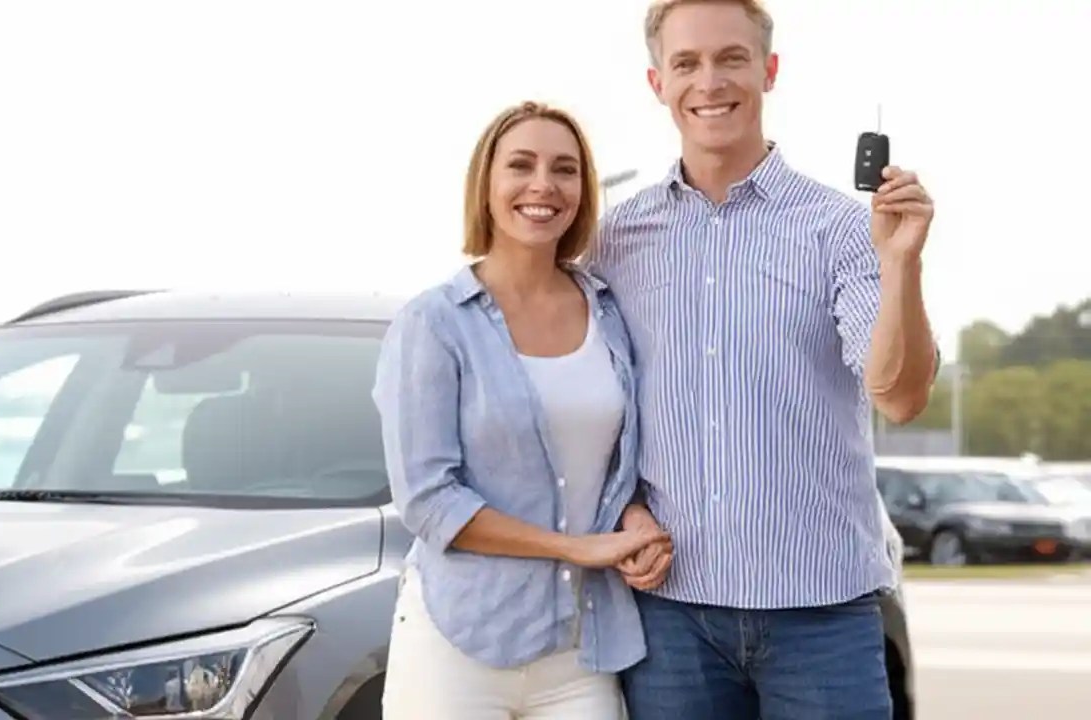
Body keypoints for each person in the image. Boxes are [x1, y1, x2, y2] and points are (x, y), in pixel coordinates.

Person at [585, 1, 939, 719]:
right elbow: (593, 411)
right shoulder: (616, 240)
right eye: (686, 62)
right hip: (671, 617)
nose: (709, 81)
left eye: (731, 58)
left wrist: (901, 264)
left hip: (821, 617)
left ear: (768, 70)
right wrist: (624, 509)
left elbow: (898, 396)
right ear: (657, 81)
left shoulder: (840, 228)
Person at [373, 100, 673, 720]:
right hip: (459, 643)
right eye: (521, 165)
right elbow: (428, 500)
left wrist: (634, 520)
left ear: (583, 190)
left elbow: (612, 464)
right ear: (487, 184)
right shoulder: (434, 323)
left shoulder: (610, 313)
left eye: (564, 169)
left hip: (581, 650)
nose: (543, 185)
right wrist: (576, 547)